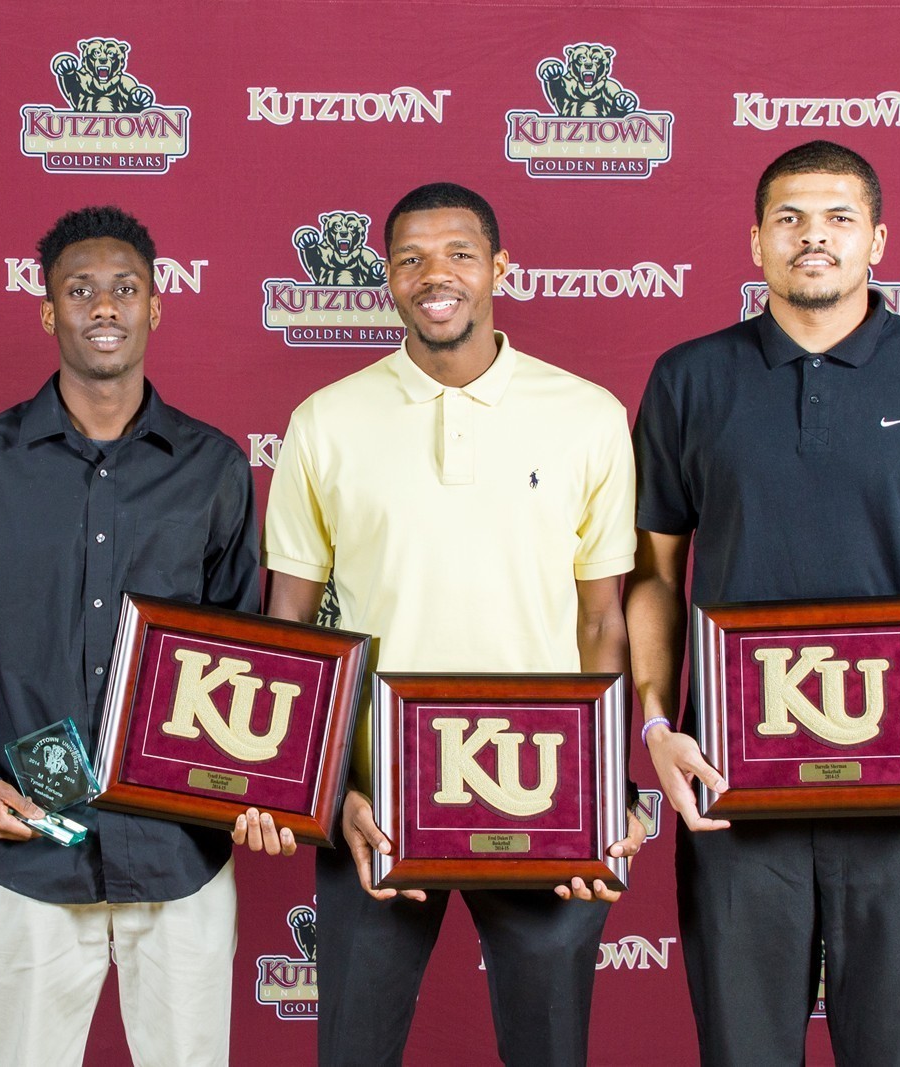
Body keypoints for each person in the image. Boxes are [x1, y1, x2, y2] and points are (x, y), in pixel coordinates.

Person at [625, 139, 900, 1066]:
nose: (813, 238)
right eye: (790, 219)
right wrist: (657, 726)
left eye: (838, 218)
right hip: (737, 795)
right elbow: (653, 575)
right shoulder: (689, 378)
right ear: (756, 243)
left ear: (877, 240)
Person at [263, 182, 646, 1067]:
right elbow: (290, 623)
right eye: (410, 259)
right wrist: (319, 795)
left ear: (501, 268)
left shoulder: (587, 415)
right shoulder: (324, 422)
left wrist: (603, 789)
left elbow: (604, 621)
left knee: (550, 1050)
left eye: (460, 254)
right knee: (354, 1050)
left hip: (545, 792)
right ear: (387, 279)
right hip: (375, 800)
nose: (436, 276)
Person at [0, 205, 281, 1067]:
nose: (103, 306)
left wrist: (262, 785)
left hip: (180, 850)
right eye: (80, 290)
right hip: (29, 848)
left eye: (124, 288)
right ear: (47, 311)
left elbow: (245, 659)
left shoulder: (214, 466)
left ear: (155, 305)